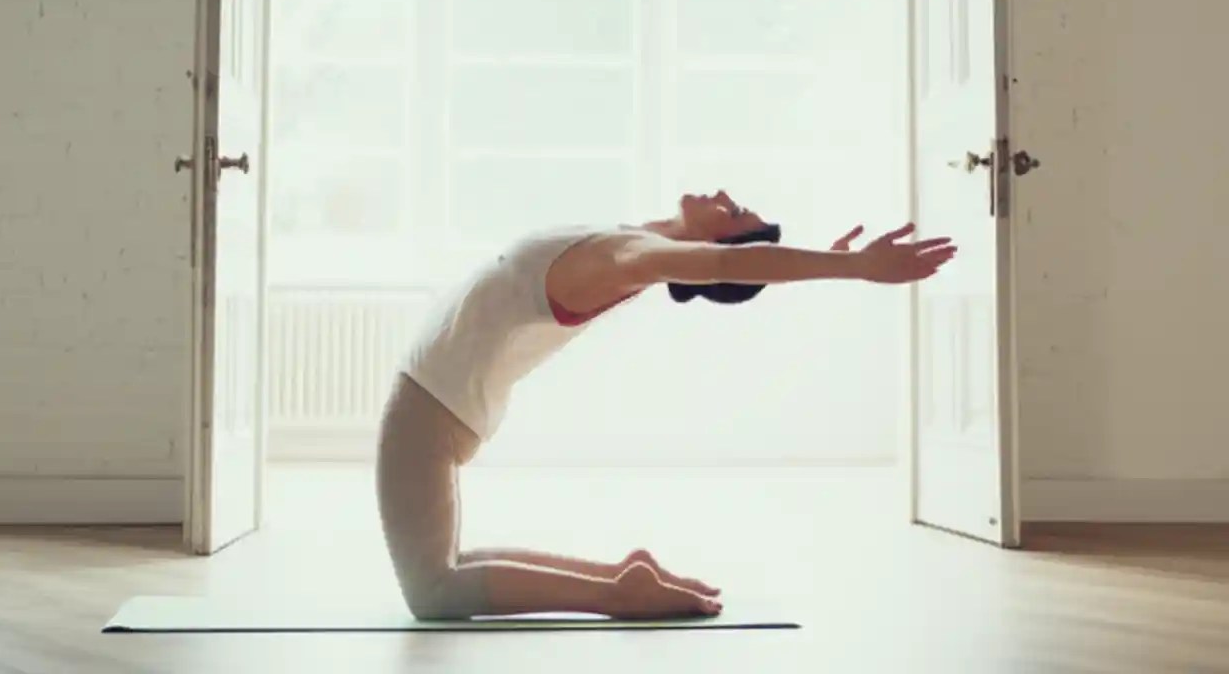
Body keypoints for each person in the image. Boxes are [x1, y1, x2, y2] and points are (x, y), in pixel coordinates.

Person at [377, 190, 957, 621]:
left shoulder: (634, 256)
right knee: (448, 563)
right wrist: (816, 259)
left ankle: (617, 596)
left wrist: (849, 267)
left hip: (428, 411)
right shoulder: (628, 240)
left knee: (432, 592)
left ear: (708, 246)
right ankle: (624, 577)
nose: (727, 197)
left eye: (734, 215)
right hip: (440, 405)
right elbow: (730, 263)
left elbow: (729, 265)